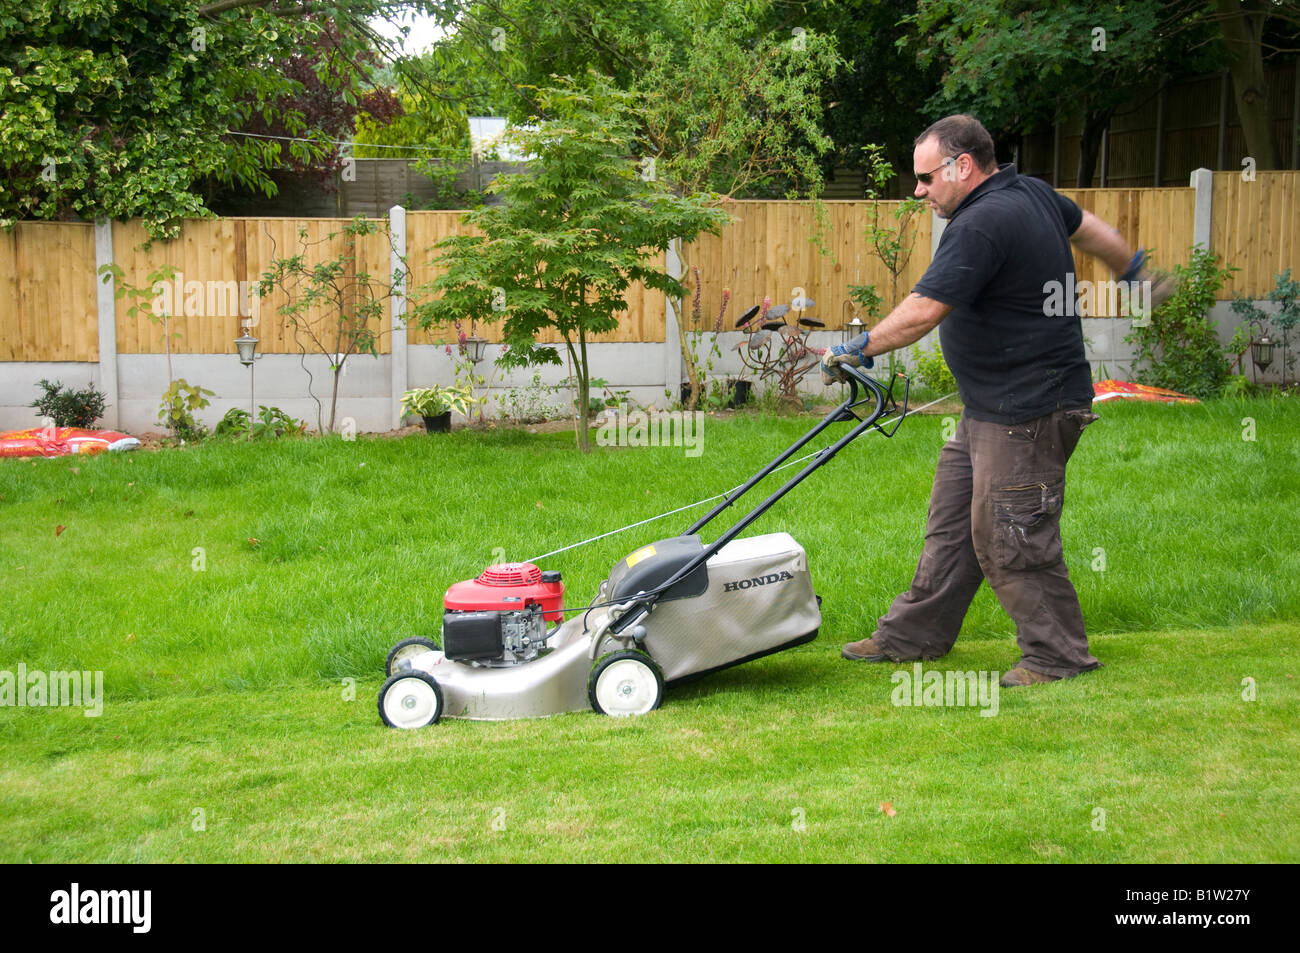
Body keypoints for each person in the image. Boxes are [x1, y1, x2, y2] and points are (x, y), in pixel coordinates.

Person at [822, 114, 1171, 688]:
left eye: (926, 178)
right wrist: (1131, 269)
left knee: (1010, 531)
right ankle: (914, 634)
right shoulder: (1031, 192)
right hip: (992, 406)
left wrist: (858, 347)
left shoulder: (982, 222)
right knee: (955, 523)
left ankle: (1057, 655)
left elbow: (925, 308)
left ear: (963, 166)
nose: (919, 191)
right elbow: (1090, 229)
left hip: (1029, 409)